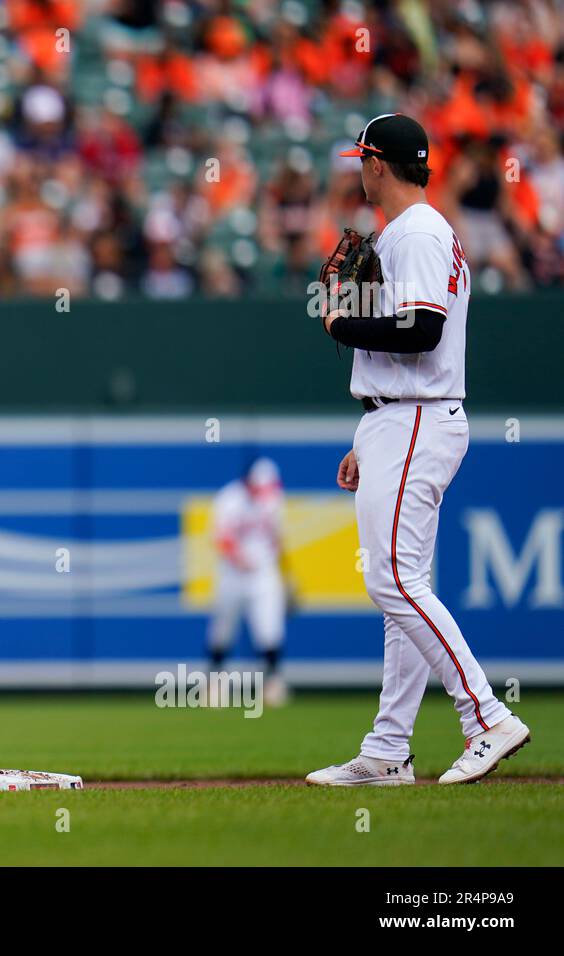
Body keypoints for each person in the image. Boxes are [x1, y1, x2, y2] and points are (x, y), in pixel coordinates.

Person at [307, 114, 530, 786]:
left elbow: (422, 331)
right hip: (397, 417)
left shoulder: (423, 232)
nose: (358, 171)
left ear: (379, 164)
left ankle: (486, 716)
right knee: (404, 585)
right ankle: (388, 751)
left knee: (392, 581)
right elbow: (404, 346)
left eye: (363, 160)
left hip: (417, 419)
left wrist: (343, 321)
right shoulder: (408, 232)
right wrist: (365, 434)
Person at [207, 457, 289, 707]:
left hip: (263, 573)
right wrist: (239, 558)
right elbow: (221, 537)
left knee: (269, 628)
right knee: (222, 629)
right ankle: (215, 683)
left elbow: (277, 541)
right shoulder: (229, 499)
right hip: (232, 573)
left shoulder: (274, 501)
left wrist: (287, 577)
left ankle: (273, 683)